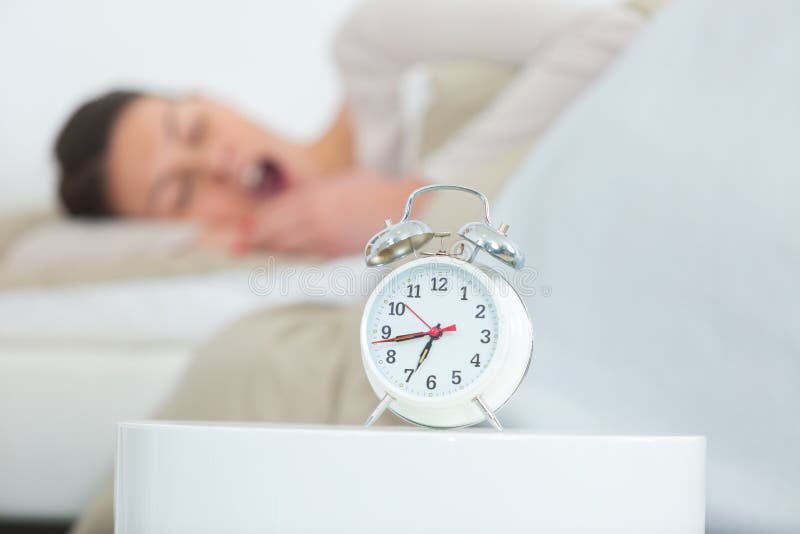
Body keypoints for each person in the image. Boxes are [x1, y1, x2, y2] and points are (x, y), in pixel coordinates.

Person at [55, 0, 648, 260]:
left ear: (212, 101)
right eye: (181, 192)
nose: (215, 163)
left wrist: (412, 198)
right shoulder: (319, 264)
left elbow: (622, 36)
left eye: (193, 130)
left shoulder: (374, 47)